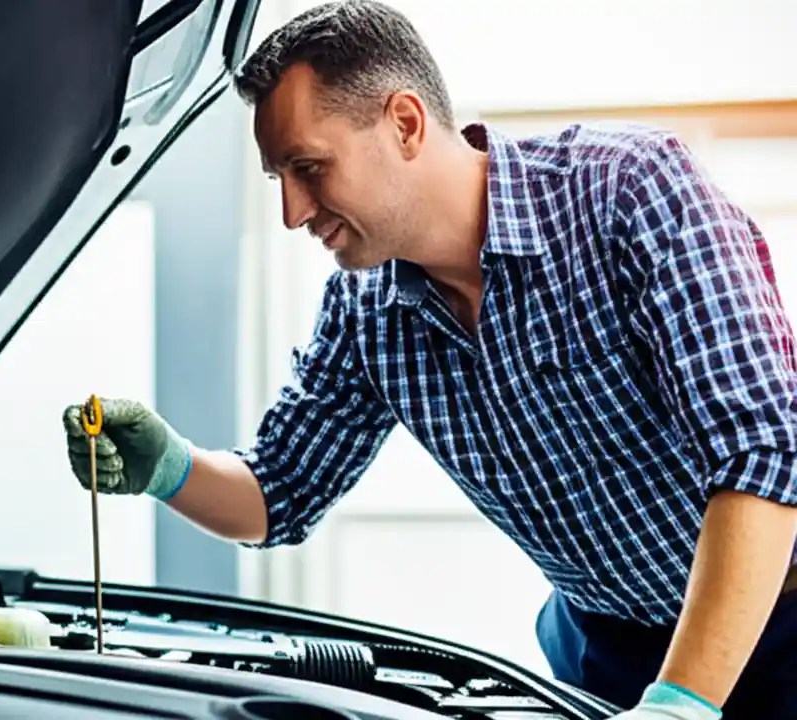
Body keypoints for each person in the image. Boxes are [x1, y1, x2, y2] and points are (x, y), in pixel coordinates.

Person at [60, 1, 797, 717]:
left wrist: (680, 705)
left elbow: (764, 454)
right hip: (604, 651)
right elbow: (279, 492)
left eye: (308, 167)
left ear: (405, 123)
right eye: (278, 178)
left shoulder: (627, 192)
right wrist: (169, 465)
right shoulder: (366, 311)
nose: (292, 212)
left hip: (777, 620)